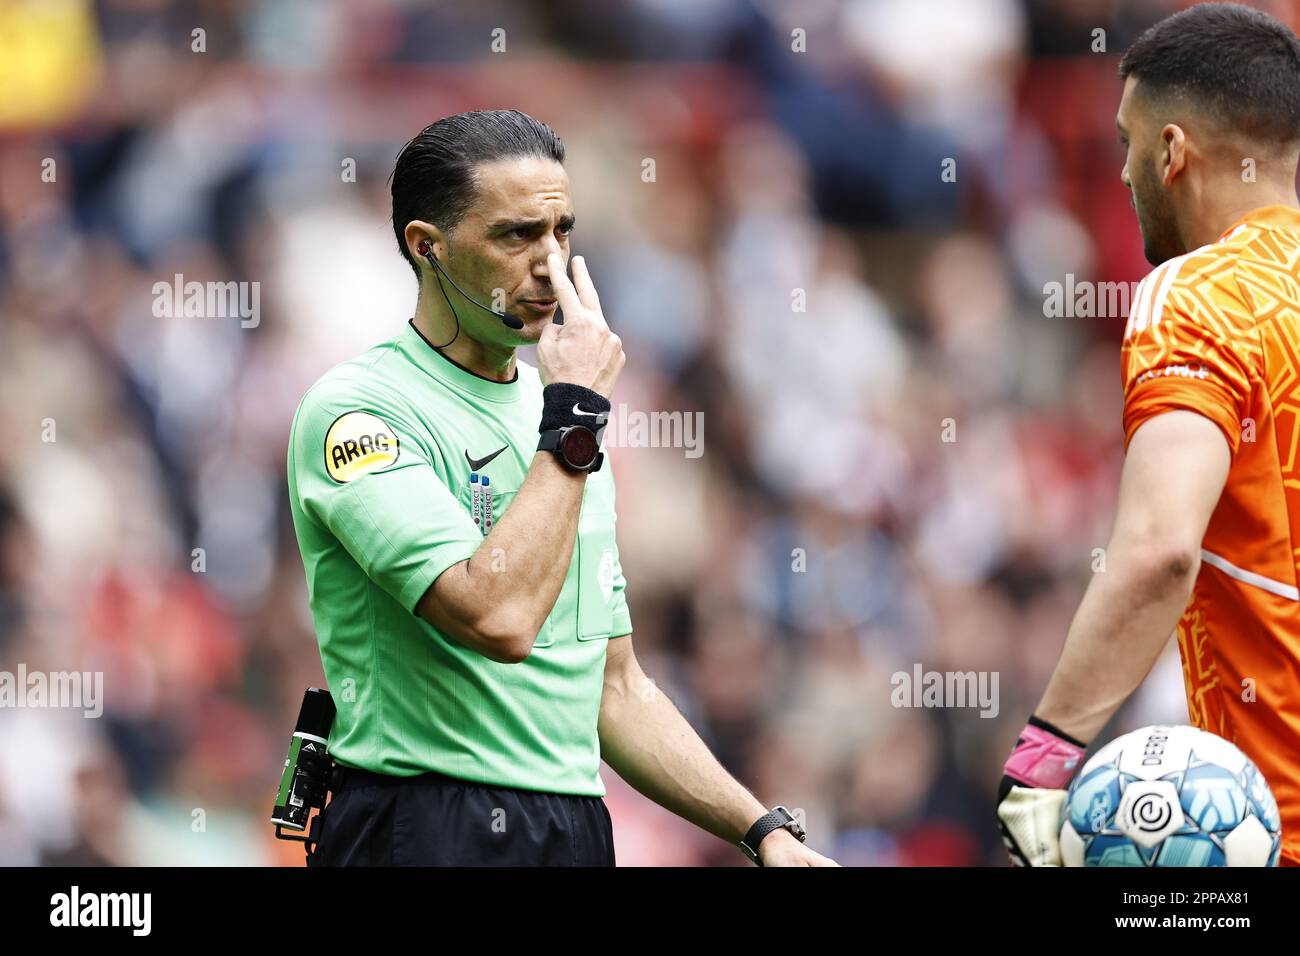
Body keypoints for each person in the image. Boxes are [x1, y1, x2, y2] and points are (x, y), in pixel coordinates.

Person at [286, 109, 836, 866]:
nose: (551, 265)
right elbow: (498, 617)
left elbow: (613, 688)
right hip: (424, 821)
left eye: (561, 232)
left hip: (571, 827)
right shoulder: (359, 411)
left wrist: (763, 832)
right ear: (428, 248)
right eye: (516, 235)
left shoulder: (563, 418)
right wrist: (575, 421)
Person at [998, 3, 1300, 867]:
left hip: (1275, 825)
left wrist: (1045, 758)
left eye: (1126, 143)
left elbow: (1161, 549)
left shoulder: (1197, 296)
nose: (1124, 172)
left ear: (1171, 153)